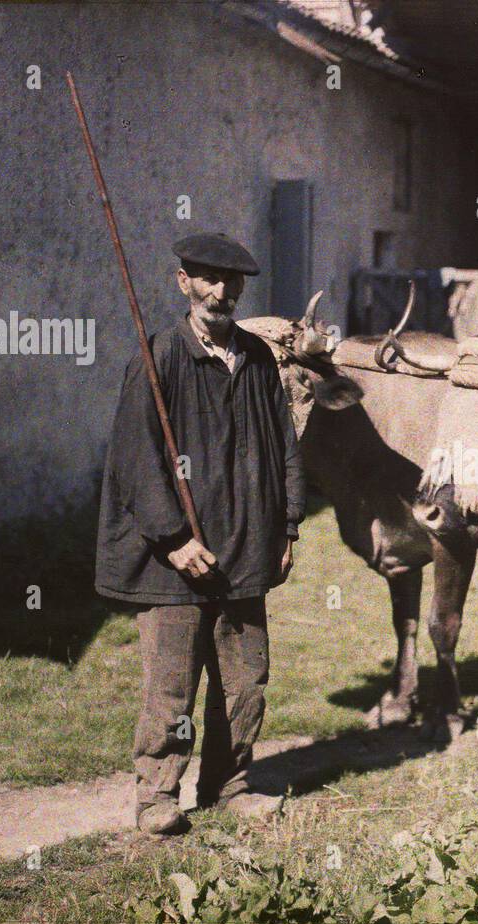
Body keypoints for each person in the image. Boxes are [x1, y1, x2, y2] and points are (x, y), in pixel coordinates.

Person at [95, 232, 304, 836]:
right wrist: (173, 538)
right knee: (172, 684)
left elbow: (286, 449)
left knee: (245, 682)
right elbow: (135, 461)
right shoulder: (159, 357)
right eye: (207, 279)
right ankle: (157, 795)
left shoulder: (260, 360)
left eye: (231, 282)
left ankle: (230, 785)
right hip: (175, 561)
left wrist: (289, 526)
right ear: (183, 282)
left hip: (245, 548)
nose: (220, 291)